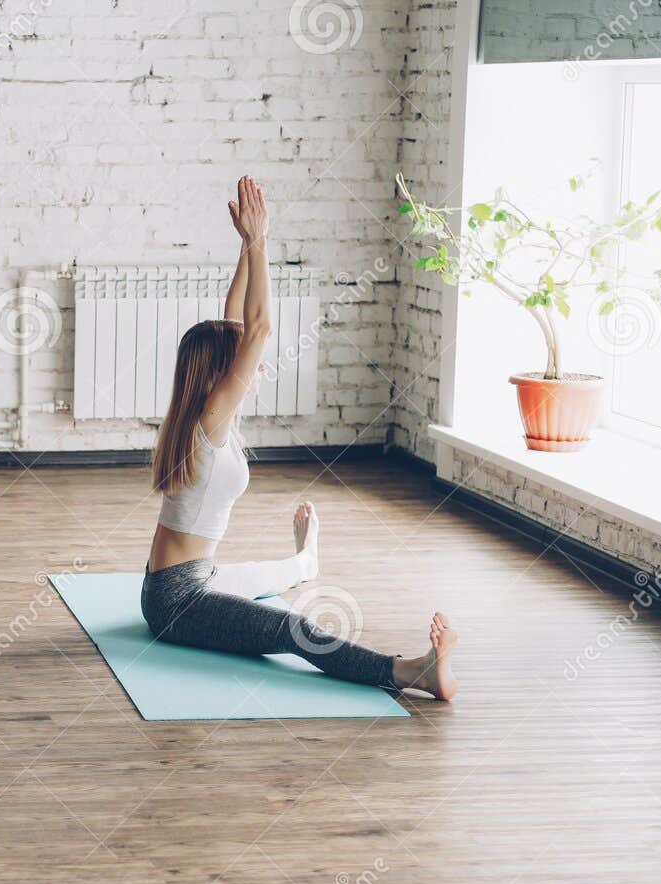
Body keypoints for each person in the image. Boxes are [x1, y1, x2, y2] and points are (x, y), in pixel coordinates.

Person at [143, 176, 457, 700]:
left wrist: (247, 246)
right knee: (290, 631)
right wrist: (261, 242)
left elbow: (236, 317)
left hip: (192, 576)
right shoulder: (210, 423)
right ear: (221, 373)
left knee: (281, 576)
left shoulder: (204, 414)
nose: (253, 357)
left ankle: (304, 561)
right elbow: (259, 327)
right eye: (239, 356)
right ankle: (408, 671)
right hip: (179, 602)